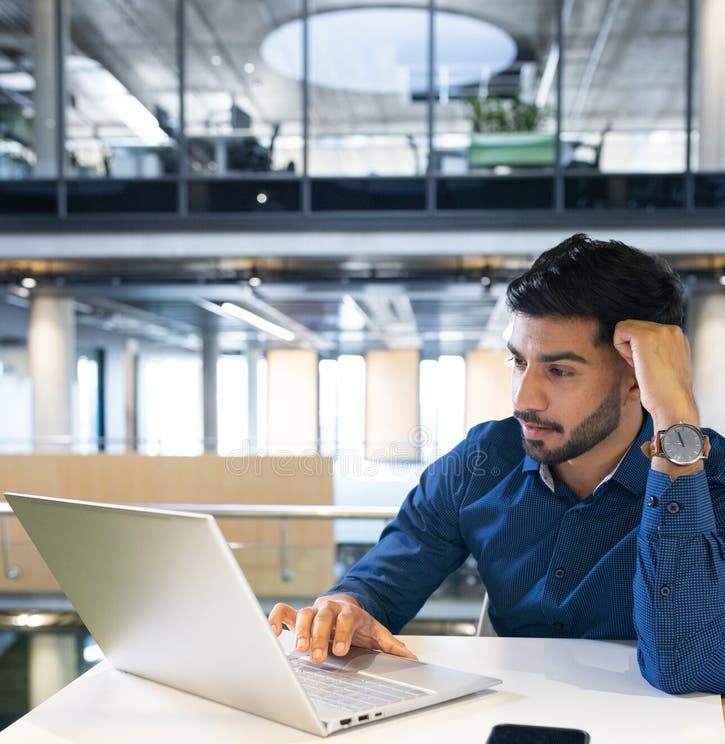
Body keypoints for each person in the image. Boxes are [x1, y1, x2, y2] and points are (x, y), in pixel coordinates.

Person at [269, 233, 725, 695]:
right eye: (518, 361)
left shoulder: (710, 482)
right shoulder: (483, 460)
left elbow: (686, 668)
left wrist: (676, 426)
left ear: (635, 381)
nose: (523, 398)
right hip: (506, 730)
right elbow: (386, 577)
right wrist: (347, 606)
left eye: (559, 371)